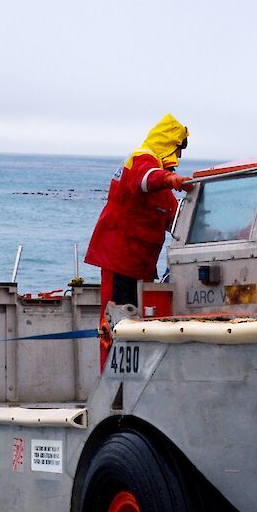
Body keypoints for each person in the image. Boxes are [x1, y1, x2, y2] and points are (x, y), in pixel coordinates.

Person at [85, 114, 191, 367]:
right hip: (119, 263)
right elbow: (146, 178)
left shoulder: (162, 187)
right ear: (170, 144)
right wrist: (170, 180)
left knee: (136, 330)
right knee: (113, 326)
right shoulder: (142, 159)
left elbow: (177, 221)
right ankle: (109, 387)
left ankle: (133, 385)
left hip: (141, 269)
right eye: (178, 148)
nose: (179, 156)